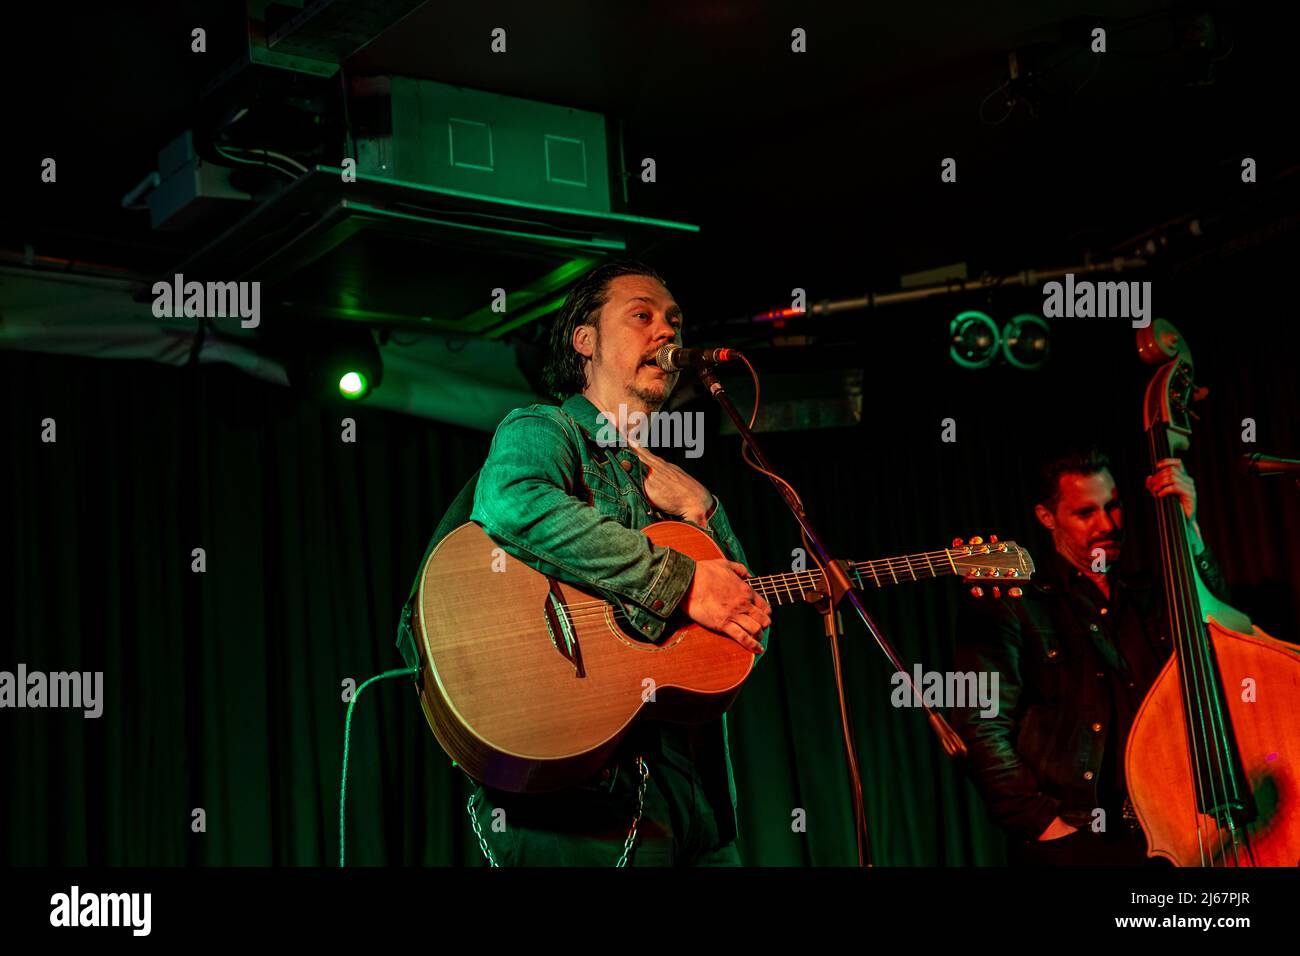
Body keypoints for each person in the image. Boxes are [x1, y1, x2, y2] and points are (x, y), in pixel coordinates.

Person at [461, 259, 771, 866]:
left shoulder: (679, 488)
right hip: (583, 780)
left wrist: (706, 509)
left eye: (674, 321)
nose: (667, 332)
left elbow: (749, 620)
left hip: (692, 786)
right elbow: (513, 501)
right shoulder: (546, 428)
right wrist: (678, 581)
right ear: (586, 340)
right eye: (642, 315)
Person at [952, 447, 1229, 865]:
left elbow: (1228, 641)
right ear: (1047, 518)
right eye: (1085, 513)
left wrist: (1190, 531)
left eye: (1113, 506)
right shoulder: (1013, 601)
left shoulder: (1151, 594)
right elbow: (980, 726)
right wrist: (1046, 826)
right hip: (1078, 839)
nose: (1107, 524)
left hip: (1175, 830)